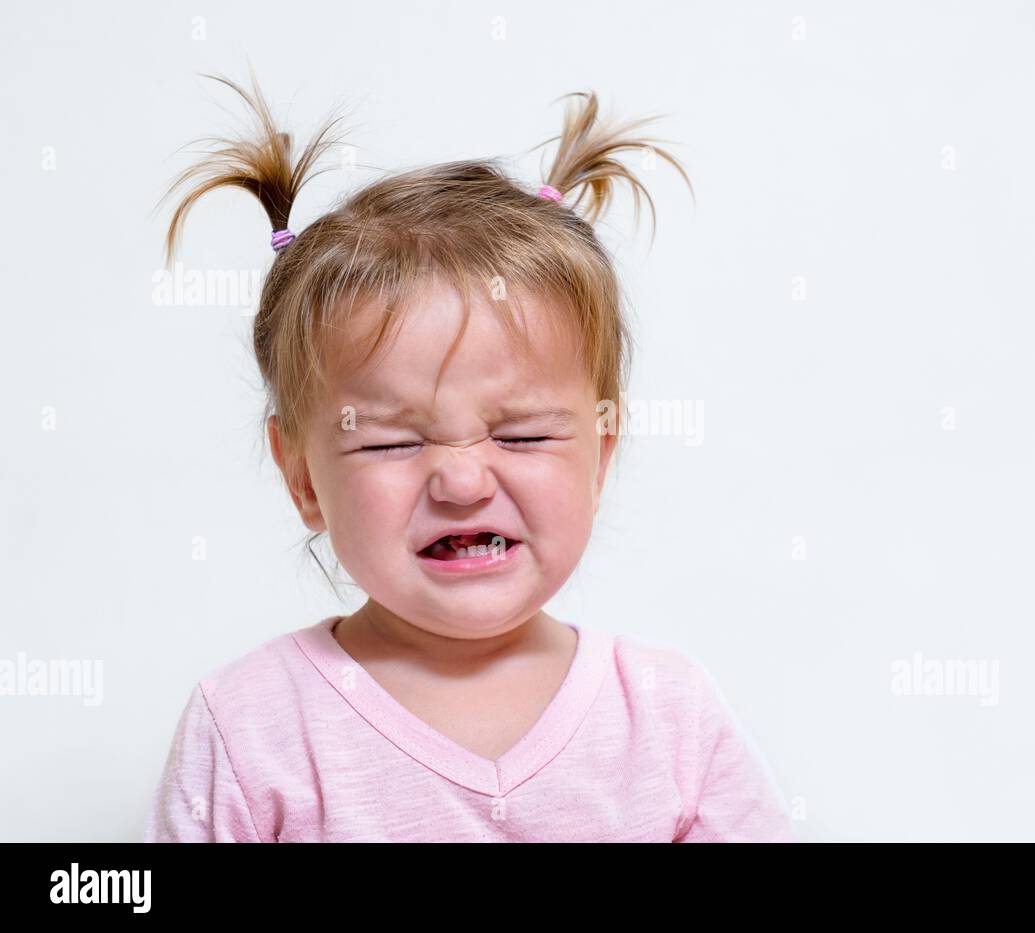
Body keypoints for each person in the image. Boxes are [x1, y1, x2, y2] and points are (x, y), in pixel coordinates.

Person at [143, 69, 797, 842]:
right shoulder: (251, 731)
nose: (460, 479)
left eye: (521, 435)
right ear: (301, 475)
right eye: (390, 441)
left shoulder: (670, 719)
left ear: (600, 454)